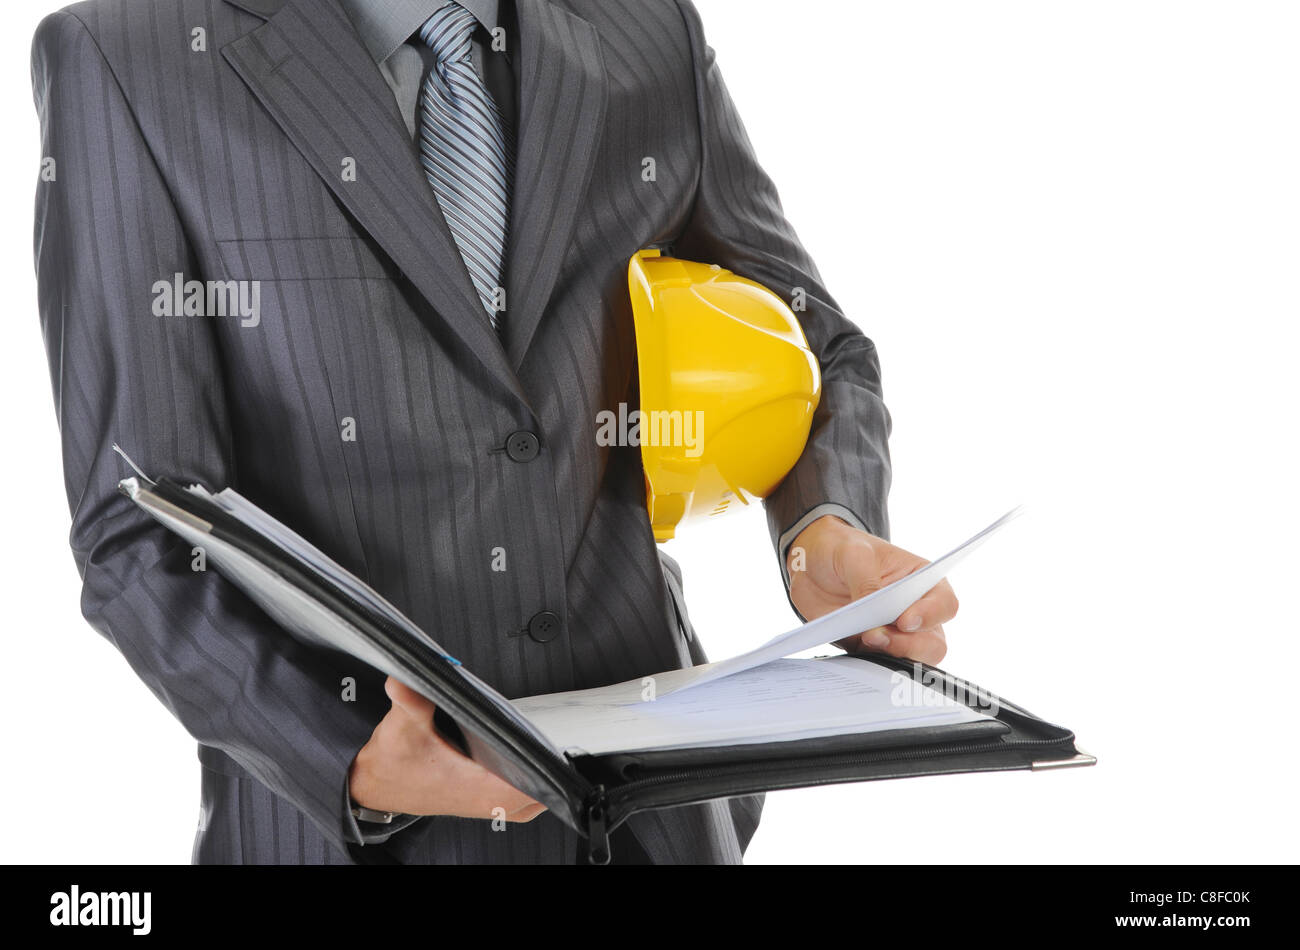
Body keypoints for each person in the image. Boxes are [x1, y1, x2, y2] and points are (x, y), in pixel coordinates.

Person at [31, 0, 958, 864]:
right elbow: (136, 528)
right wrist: (348, 756)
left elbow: (817, 341)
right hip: (337, 829)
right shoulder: (127, 56)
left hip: (651, 825)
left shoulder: (648, 33)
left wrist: (820, 532)